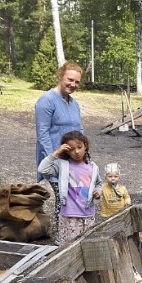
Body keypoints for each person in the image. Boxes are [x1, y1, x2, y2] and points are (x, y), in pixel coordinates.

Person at [34, 61, 84, 215]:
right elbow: (43, 134)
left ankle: (71, 232)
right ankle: (59, 234)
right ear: (61, 76)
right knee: (63, 198)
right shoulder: (47, 100)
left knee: (76, 197)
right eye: (70, 79)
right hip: (57, 159)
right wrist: (53, 159)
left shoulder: (74, 103)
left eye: (77, 82)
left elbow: (79, 130)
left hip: (73, 158)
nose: (73, 84)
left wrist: (83, 155)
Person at [36, 130, 102, 245]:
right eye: (71, 149)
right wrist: (56, 152)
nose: (76, 152)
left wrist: (98, 192)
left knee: (88, 245)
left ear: (85, 146)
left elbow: (99, 183)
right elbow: (42, 169)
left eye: (79, 147)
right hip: (69, 216)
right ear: (66, 151)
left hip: (88, 215)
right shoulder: (62, 165)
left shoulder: (93, 167)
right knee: (69, 247)